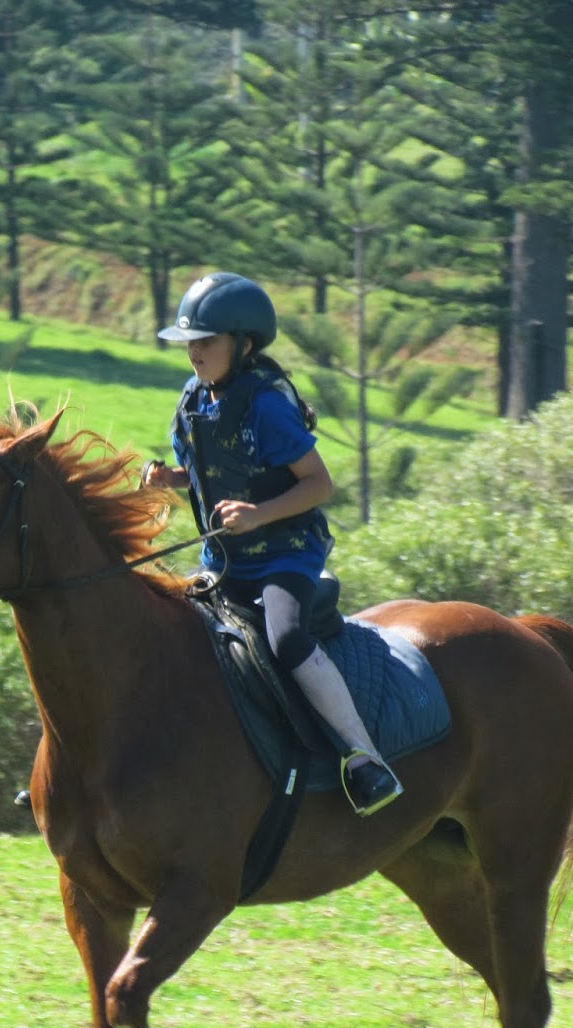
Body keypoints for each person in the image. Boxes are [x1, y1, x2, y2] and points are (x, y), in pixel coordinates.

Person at [144, 271, 402, 817]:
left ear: (243, 343)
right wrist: (169, 480)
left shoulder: (266, 406)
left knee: (284, 639)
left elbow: (318, 483)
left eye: (206, 342)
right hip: (223, 560)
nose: (194, 354)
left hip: (285, 558)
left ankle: (364, 760)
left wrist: (258, 514)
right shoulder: (193, 401)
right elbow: (209, 473)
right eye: (189, 342)